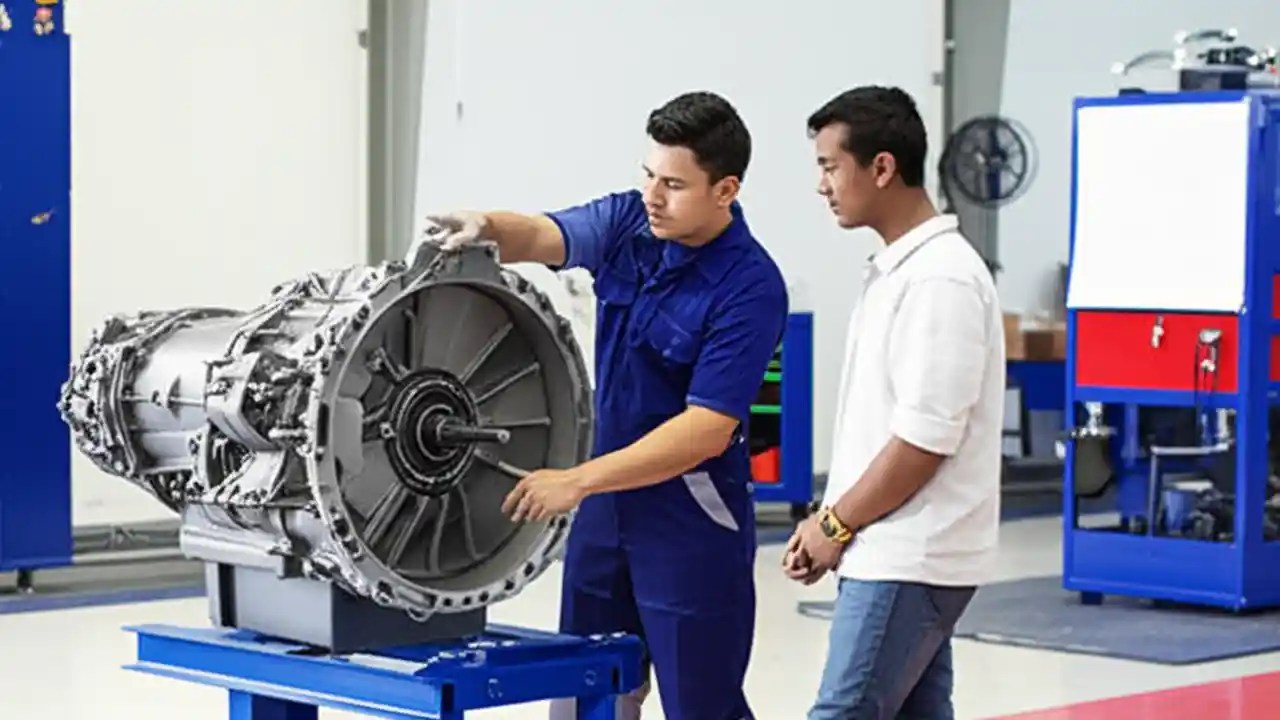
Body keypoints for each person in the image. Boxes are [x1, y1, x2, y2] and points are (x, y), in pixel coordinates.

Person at [421, 91, 789, 720]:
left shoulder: (751, 287)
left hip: (690, 525)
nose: (653, 194)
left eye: (674, 183)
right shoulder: (630, 225)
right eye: (648, 174)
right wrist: (486, 227)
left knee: (701, 704)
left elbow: (705, 429)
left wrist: (577, 480)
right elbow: (544, 233)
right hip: (603, 518)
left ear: (726, 189)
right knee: (584, 692)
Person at [783, 86, 1004, 719]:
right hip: (892, 547)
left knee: (842, 713)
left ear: (882, 167)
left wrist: (833, 524)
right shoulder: (902, 270)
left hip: (909, 553)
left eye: (830, 166)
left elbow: (923, 441)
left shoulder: (941, 278)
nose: (821, 185)